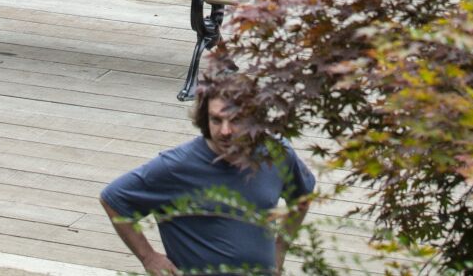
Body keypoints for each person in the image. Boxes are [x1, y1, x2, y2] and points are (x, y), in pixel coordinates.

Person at [101, 79, 316, 275]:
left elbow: (301, 197)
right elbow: (113, 200)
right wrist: (149, 257)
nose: (225, 131)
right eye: (216, 120)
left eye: (235, 120)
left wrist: (279, 249)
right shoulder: (176, 166)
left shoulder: (277, 153)